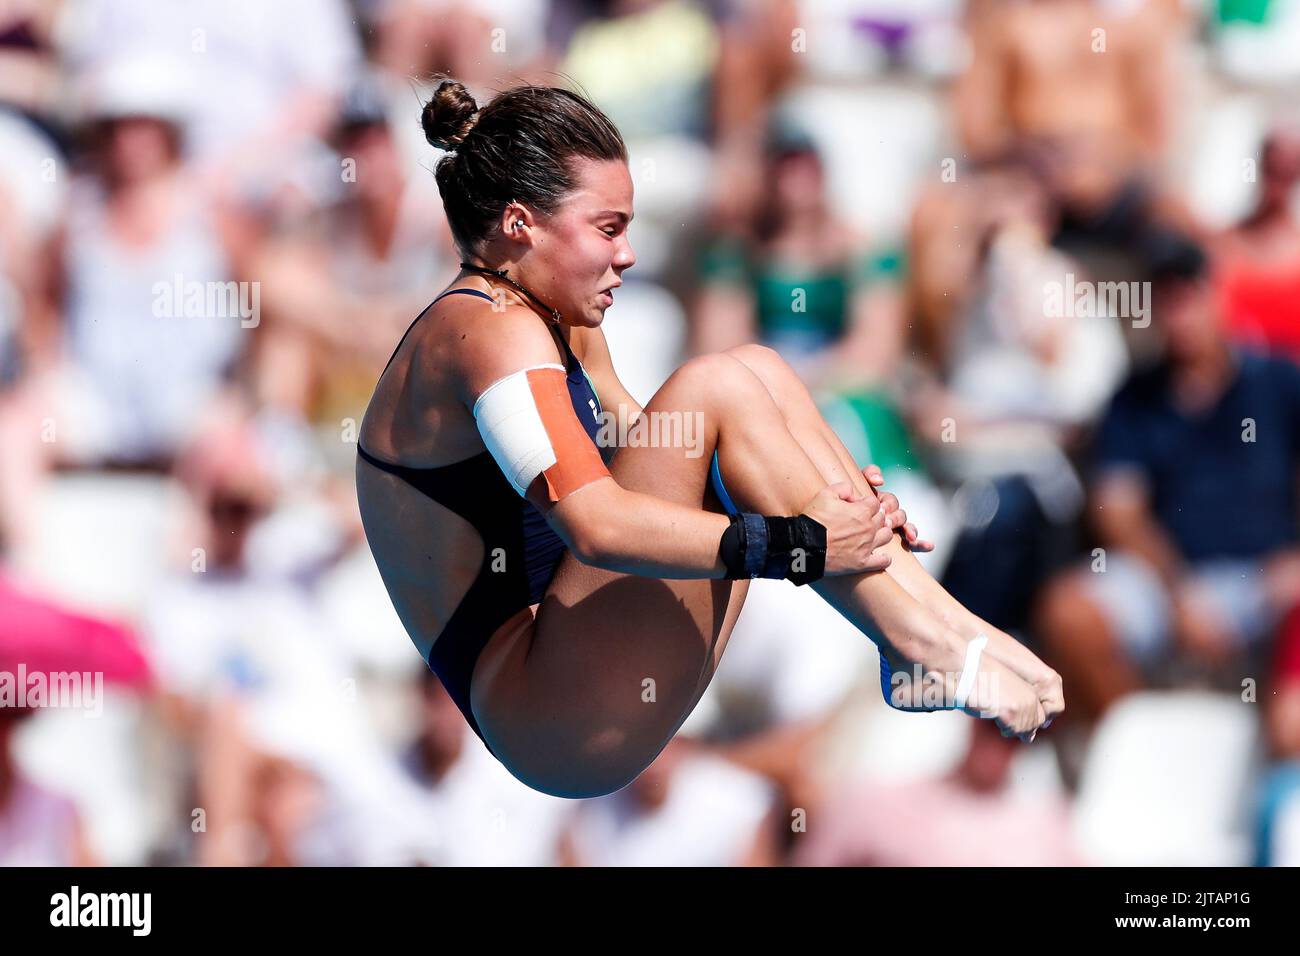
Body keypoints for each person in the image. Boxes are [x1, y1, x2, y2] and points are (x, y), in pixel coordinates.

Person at [356, 80, 1063, 799]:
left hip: (580, 675)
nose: (629, 254)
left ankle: (939, 629)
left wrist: (834, 487)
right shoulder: (485, 329)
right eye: (608, 228)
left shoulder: (545, 309)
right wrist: (798, 540)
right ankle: (919, 639)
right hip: (548, 713)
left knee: (755, 369)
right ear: (519, 223)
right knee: (716, 384)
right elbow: (596, 524)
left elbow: (647, 440)